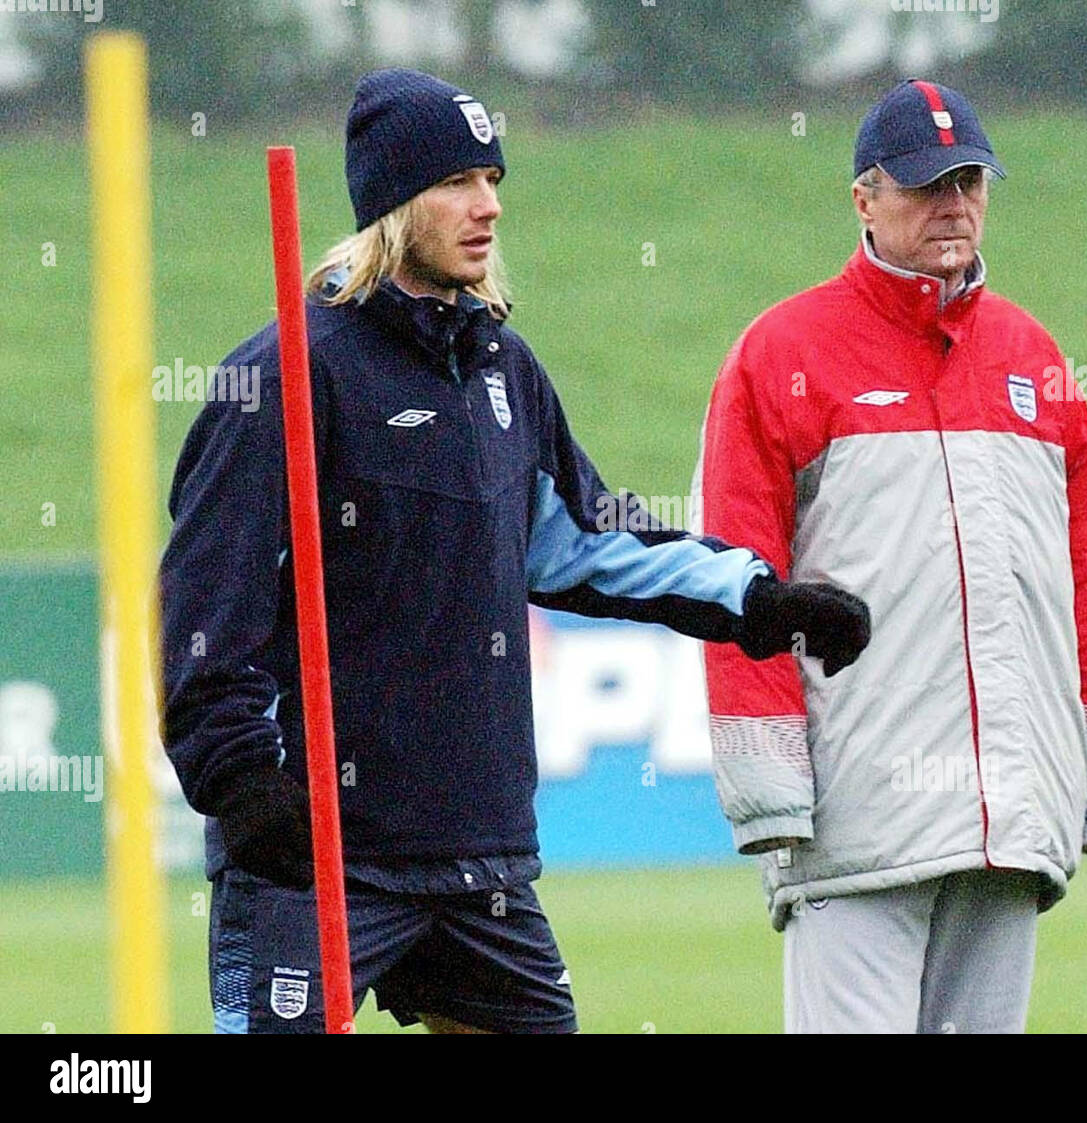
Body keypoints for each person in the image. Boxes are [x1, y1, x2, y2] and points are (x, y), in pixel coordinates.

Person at [160, 68, 871, 1035]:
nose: (488, 205)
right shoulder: (286, 372)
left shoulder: (502, 365)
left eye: (494, 179)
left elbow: (584, 539)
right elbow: (207, 598)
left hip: (476, 856)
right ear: (395, 203)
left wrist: (761, 599)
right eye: (459, 181)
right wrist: (241, 779)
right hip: (318, 854)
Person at [695, 78, 1087, 1034]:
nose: (955, 203)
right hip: (861, 819)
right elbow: (737, 578)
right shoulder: (780, 352)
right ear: (864, 198)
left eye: (970, 181)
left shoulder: (1035, 356)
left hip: (1012, 818)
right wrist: (770, 786)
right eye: (928, 184)